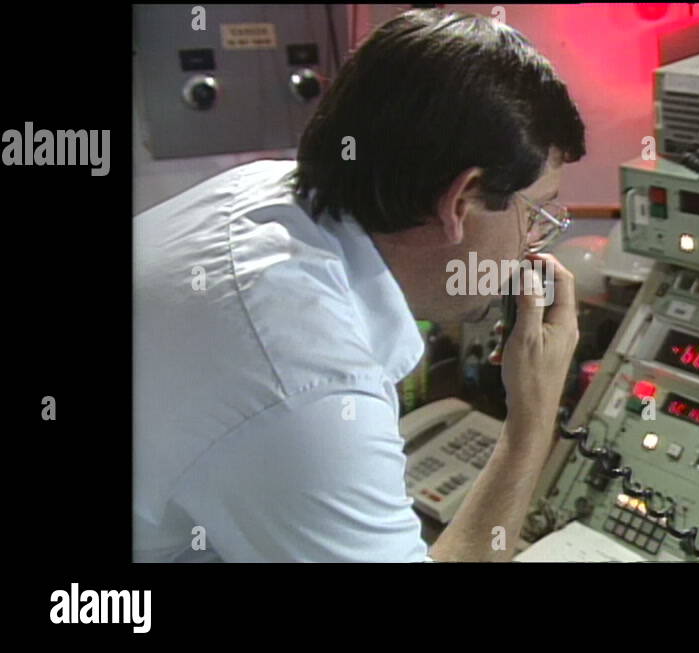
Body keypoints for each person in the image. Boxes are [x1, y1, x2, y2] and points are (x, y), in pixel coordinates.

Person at [133, 8, 586, 562]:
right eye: (535, 215)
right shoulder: (307, 385)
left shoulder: (261, 191)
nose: (533, 248)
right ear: (461, 202)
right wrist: (531, 425)